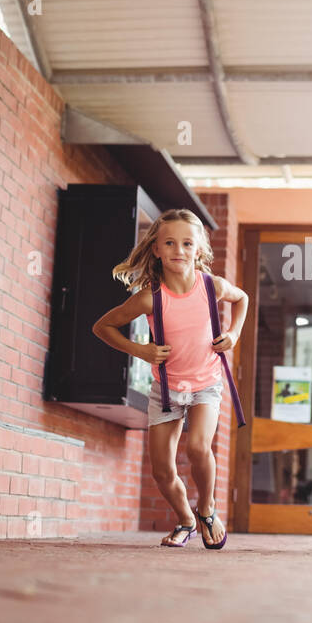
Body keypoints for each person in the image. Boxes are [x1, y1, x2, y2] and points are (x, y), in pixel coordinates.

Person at [93, 208, 248, 549]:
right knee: (162, 471)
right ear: (157, 250)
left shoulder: (213, 287)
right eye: (170, 243)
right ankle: (186, 519)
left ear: (199, 250)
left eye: (187, 243)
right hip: (166, 389)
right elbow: (102, 327)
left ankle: (206, 508)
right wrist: (141, 350)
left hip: (206, 383)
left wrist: (234, 334)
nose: (179, 250)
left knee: (197, 447)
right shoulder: (150, 298)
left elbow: (243, 299)